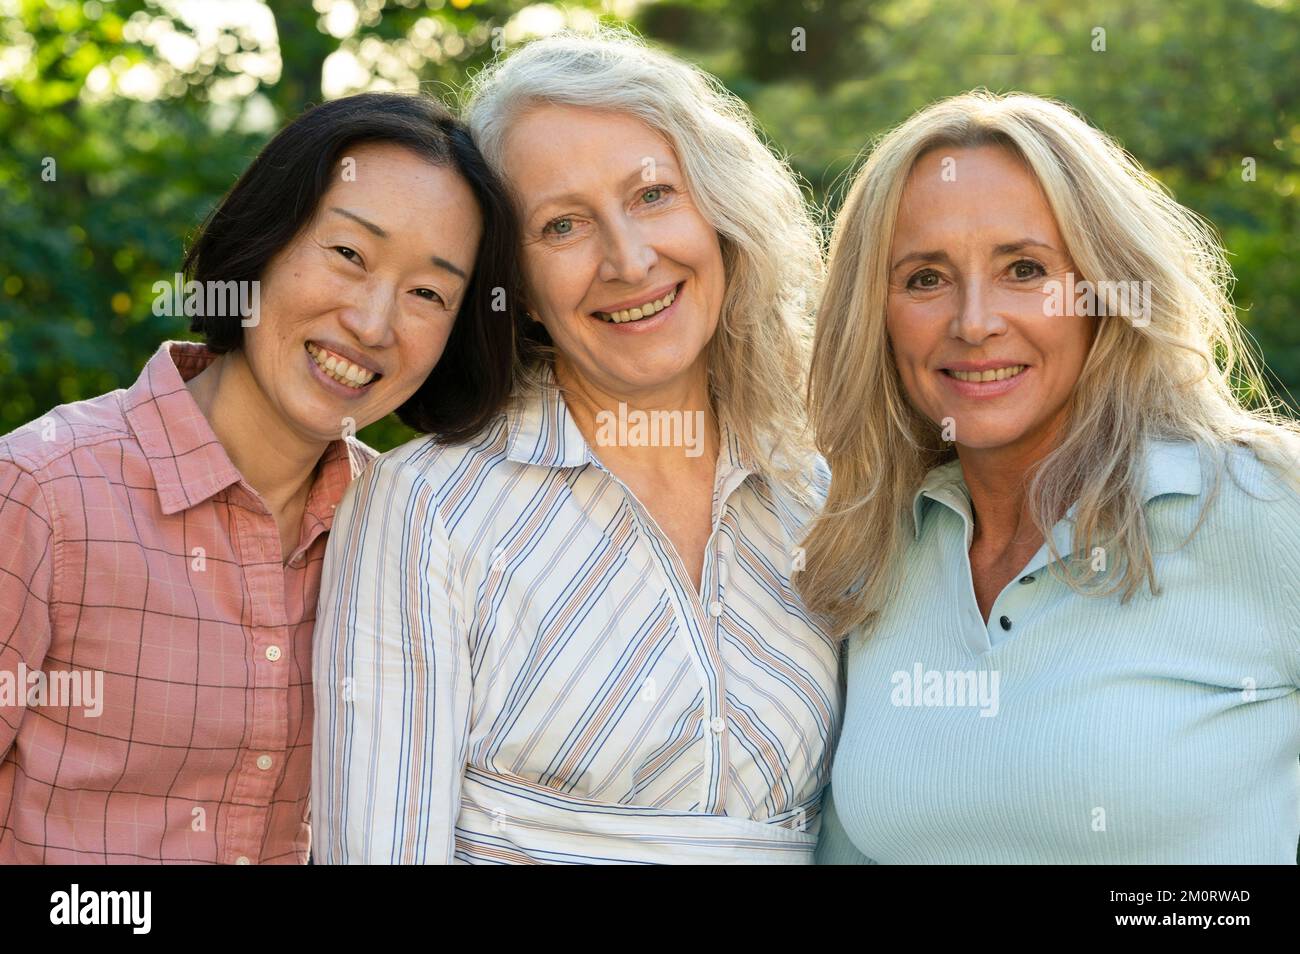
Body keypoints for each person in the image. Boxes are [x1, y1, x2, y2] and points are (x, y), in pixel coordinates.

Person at [312, 30, 838, 864]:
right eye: (562, 225)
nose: (629, 260)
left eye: (654, 195)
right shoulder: (427, 507)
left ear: (720, 210)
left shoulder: (817, 491)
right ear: (514, 288)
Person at [0, 91, 519, 863]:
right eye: (348, 254)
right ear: (264, 242)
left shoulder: (407, 532)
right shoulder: (42, 493)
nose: (374, 324)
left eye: (428, 294)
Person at [802, 90, 1300, 864]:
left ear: (1104, 290)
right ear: (877, 312)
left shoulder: (1265, 507)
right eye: (926, 278)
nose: (974, 322)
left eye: (1025, 269)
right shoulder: (870, 551)